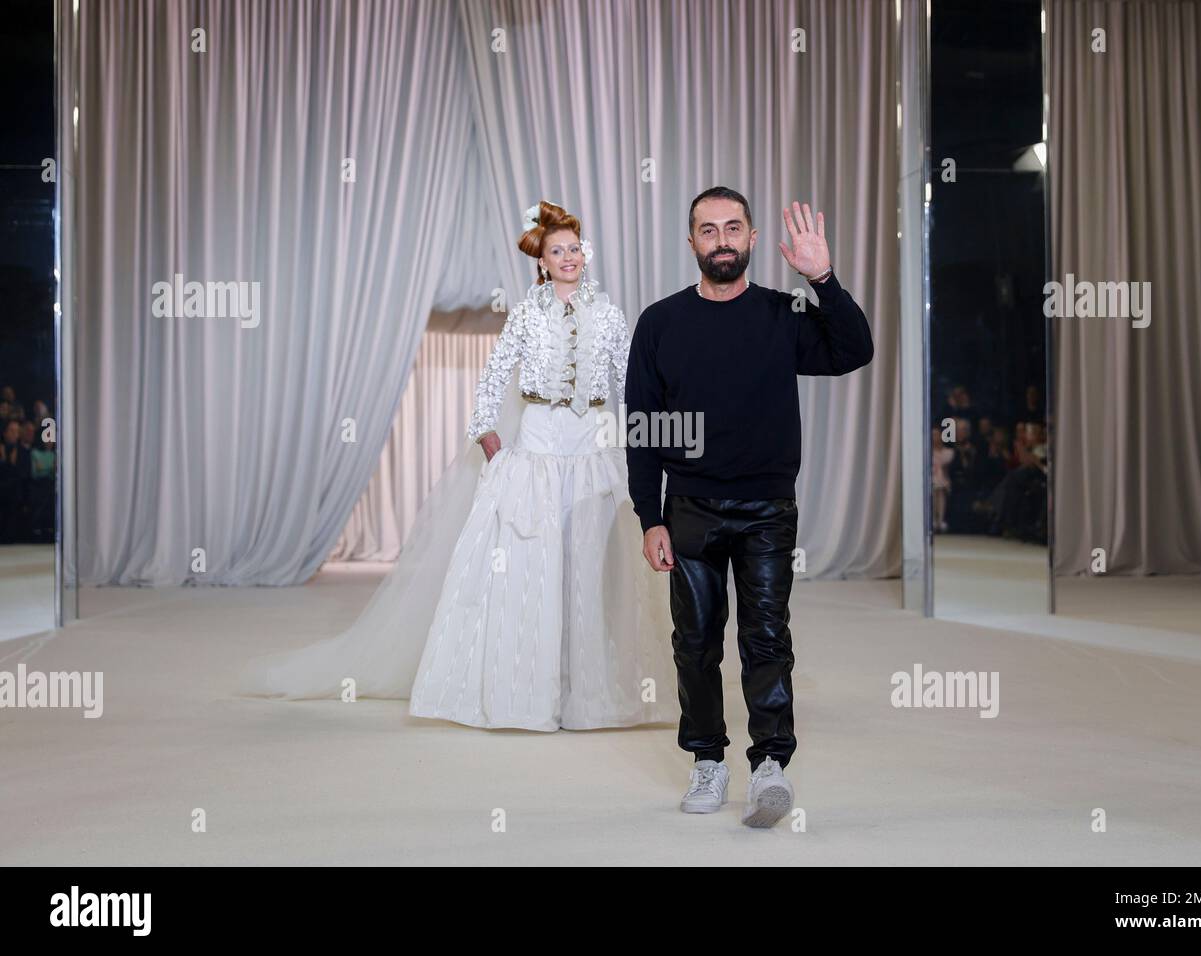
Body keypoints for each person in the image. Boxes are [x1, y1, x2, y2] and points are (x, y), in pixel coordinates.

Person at [242, 201, 675, 732]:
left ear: (585, 254)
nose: (567, 257)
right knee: (530, 566)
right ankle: (525, 695)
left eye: (573, 249)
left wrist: (638, 440)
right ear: (541, 262)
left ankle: (592, 698)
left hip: (591, 451)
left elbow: (630, 380)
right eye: (556, 251)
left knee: (590, 568)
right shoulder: (526, 314)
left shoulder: (609, 315)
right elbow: (494, 374)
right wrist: (487, 433)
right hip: (537, 447)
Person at [624, 188, 874, 827]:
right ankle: (708, 759)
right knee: (695, 643)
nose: (722, 240)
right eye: (708, 230)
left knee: (765, 638)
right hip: (689, 507)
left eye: (733, 227)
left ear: (753, 238)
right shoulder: (659, 323)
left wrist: (823, 279)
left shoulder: (784, 312)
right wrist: (649, 516)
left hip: (766, 507)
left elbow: (854, 351)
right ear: (691, 242)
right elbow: (642, 426)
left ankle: (770, 766)